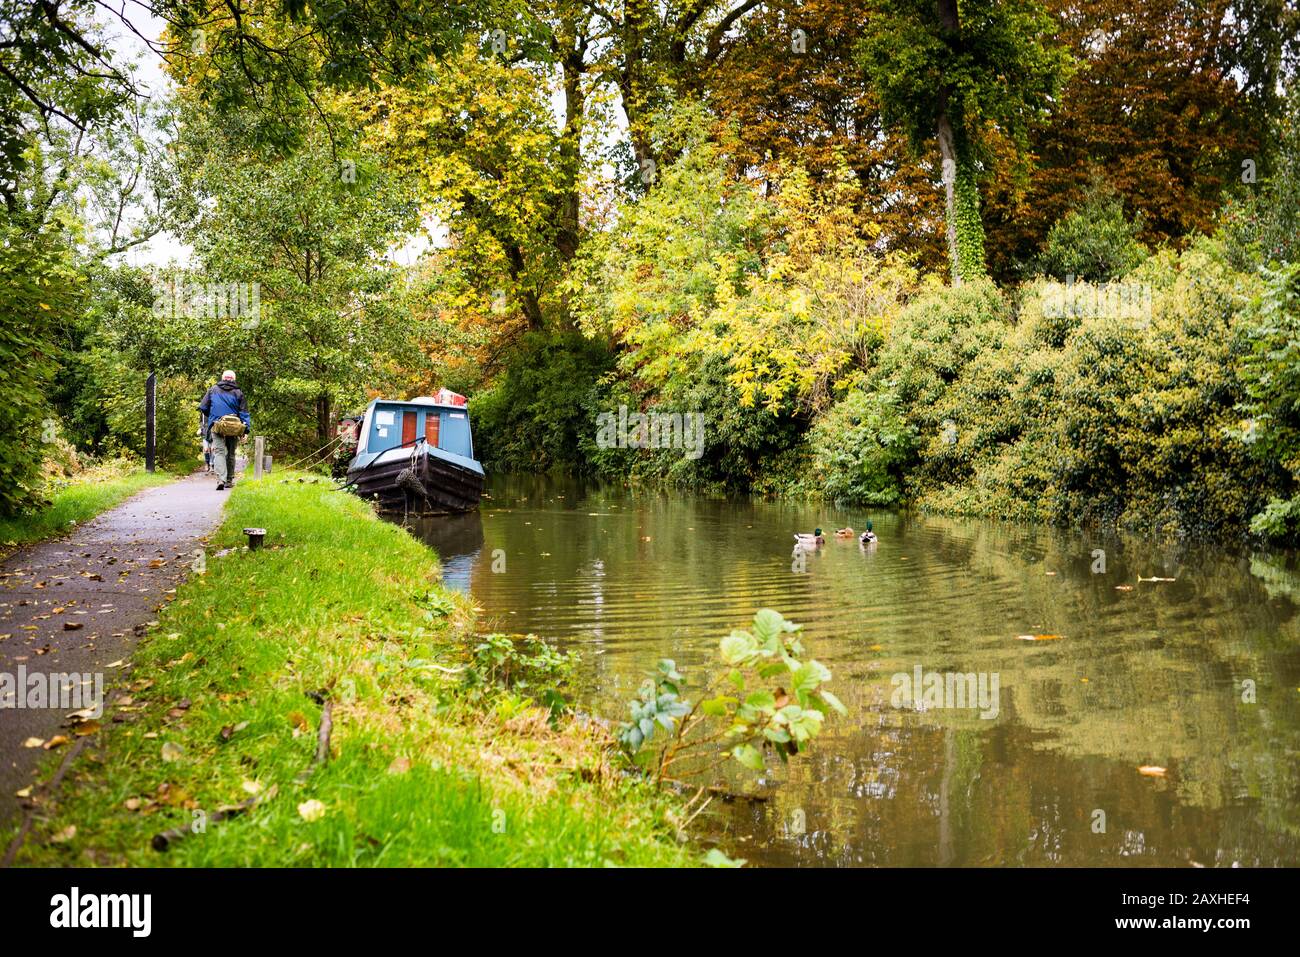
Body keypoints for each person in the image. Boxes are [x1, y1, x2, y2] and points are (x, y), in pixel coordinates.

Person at [198, 370, 251, 490]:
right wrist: (245, 430)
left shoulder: (212, 390)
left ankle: (220, 479)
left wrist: (212, 416)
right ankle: (229, 480)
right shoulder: (238, 393)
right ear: (233, 379)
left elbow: (203, 407)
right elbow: (244, 413)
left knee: (219, 453)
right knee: (231, 454)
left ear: (223, 378)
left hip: (217, 425)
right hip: (233, 427)